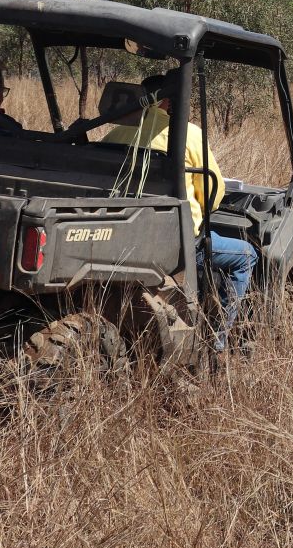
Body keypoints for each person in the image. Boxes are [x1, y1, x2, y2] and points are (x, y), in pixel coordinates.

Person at [101, 71, 255, 352]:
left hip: (116, 239)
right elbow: (212, 192)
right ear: (170, 103)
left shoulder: (114, 133)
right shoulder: (189, 134)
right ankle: (218, 343)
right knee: (246, 255)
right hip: (175, 245)